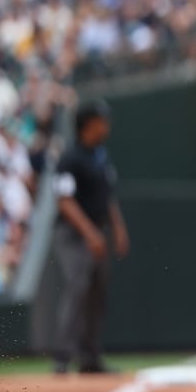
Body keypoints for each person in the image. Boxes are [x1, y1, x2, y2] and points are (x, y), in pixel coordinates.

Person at [51, 99, 129, 374]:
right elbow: (64, 201)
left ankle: (90, 357)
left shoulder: (100, 156)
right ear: (89, 124)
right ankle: (62, 357)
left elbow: (107, 197)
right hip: (73, 233)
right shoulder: (71, 157)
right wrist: (90, 233)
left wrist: (117, 228)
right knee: (78, 287)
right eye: (101, 120)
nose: (106, 125)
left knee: (97, 292)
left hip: (97, 230)